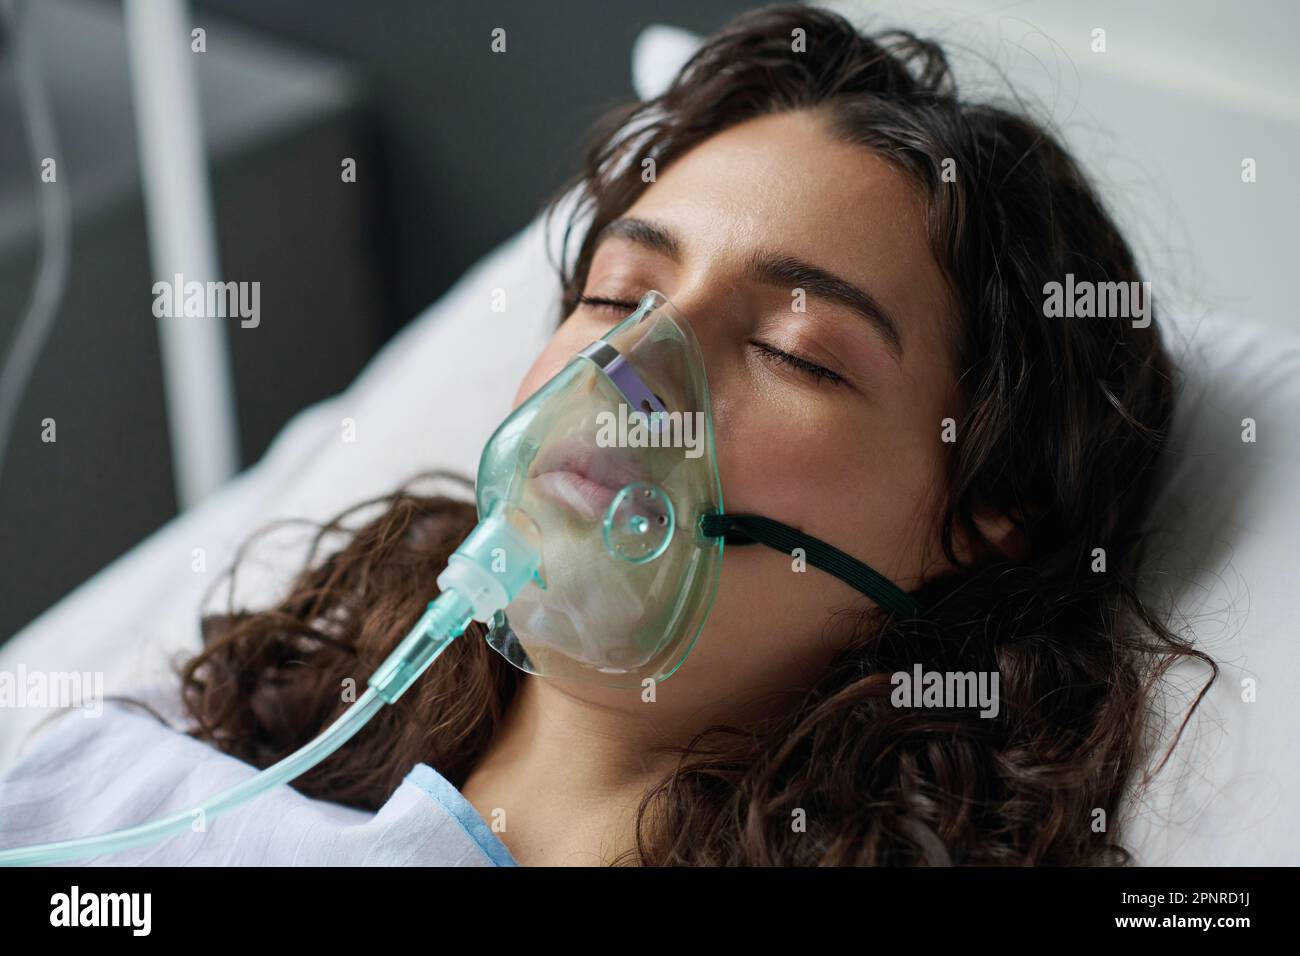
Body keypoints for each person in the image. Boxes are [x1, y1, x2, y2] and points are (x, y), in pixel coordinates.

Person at [0, 4, 1213, 866]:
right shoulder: (168, 758)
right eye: (616, 294)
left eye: (792, 347)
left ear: (983, 521)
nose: (628, 372)